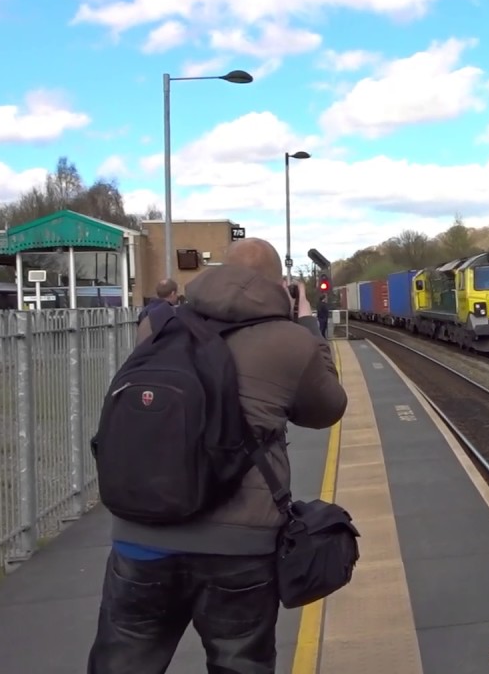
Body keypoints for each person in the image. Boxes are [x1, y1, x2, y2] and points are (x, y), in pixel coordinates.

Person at [87, 237, 349, 674]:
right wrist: (306, 324)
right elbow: (328, 409)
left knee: (121, 663)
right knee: (240, 662)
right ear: (278, 286)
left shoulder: (159, 327)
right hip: (239, 549)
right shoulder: (289, 341)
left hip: (142, 535)